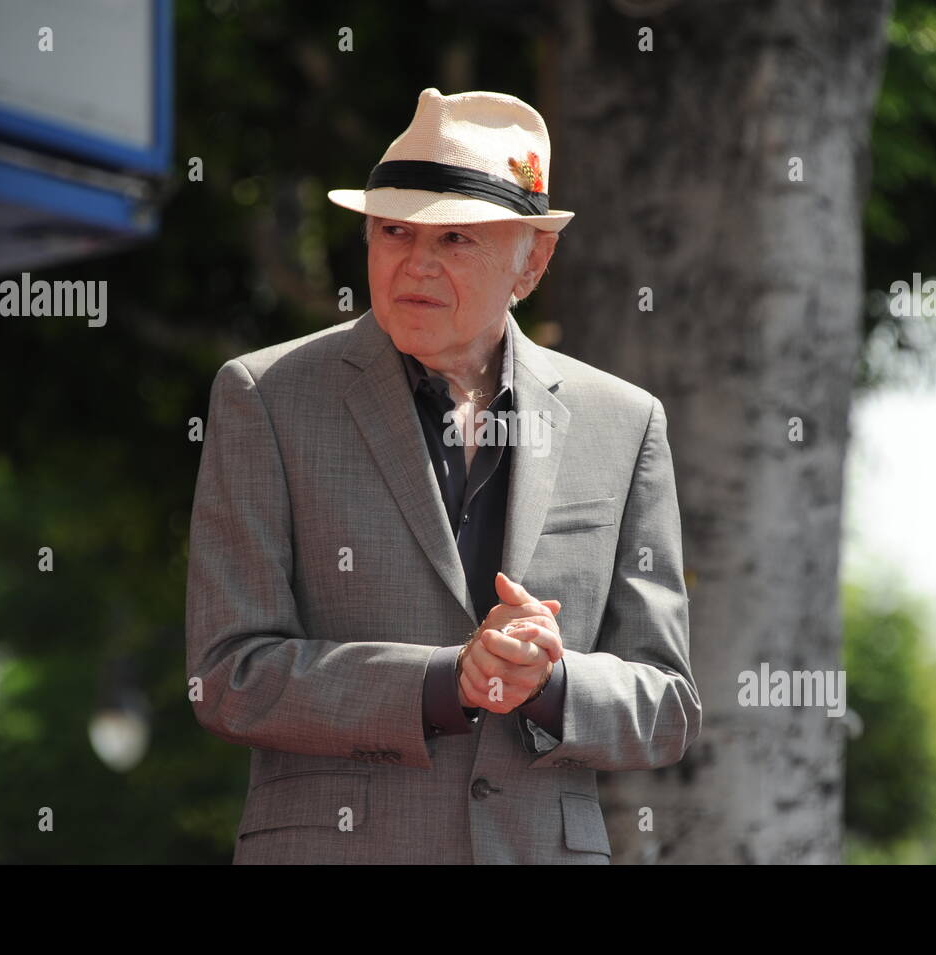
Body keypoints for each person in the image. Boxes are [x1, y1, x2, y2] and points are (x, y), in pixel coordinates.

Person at [185, 87, 700, 864]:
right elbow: (227, 677)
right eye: (393, 231)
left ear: (533, 258)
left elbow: (667, 706)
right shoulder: (265, 396)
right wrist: (445, 680)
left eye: (455, 238)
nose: (415, 264)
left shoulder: (626, 422)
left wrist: (551, 684)